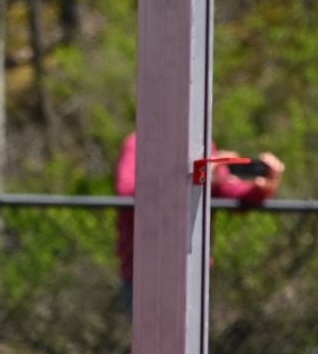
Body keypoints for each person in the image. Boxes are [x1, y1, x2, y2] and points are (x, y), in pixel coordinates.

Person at [112, 131, 284, 311]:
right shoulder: (139, 142)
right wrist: (192, 178)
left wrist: (263, 188)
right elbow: (126, 190)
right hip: (145, 269)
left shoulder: (203, 144)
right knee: (150, 329)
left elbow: (232, 192)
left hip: (194, 271)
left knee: (192, 328)